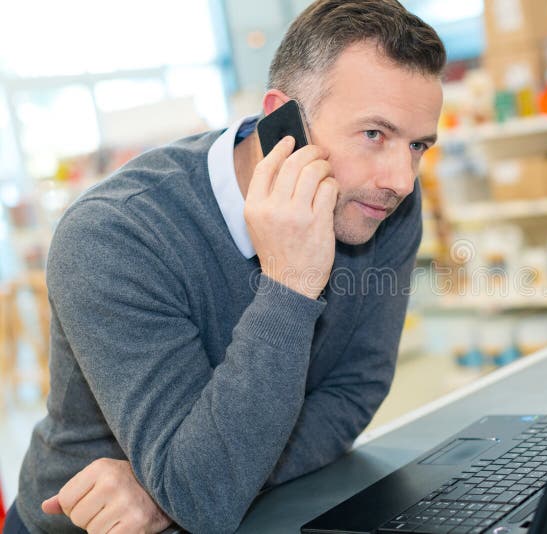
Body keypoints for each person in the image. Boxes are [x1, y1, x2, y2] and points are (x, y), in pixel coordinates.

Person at [7, 1, 445, 532]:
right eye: (374, 134)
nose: (401, 179)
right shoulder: (115, 235)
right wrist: (292, 283)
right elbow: (204, 494)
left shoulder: (377, 205)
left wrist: (165, 488)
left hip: (254, 511)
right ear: (282, 121)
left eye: (417, 144)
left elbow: (353, 392)